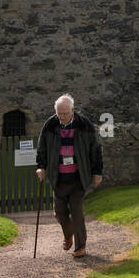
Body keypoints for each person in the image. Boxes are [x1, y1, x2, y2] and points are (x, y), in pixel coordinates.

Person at [34, 94, 103, 258]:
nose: (62, 117)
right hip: (58, 177)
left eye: (65, 113)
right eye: (59, 113)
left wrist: (97, 172)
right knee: (59, 212)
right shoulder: (50, 125)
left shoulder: (84, 125)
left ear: (72, 110)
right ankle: (68, 234)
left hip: (79, 177)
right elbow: (41, 148)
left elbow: (95, 149)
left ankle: (80, 246)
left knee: (76, 210)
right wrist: (41, 167)